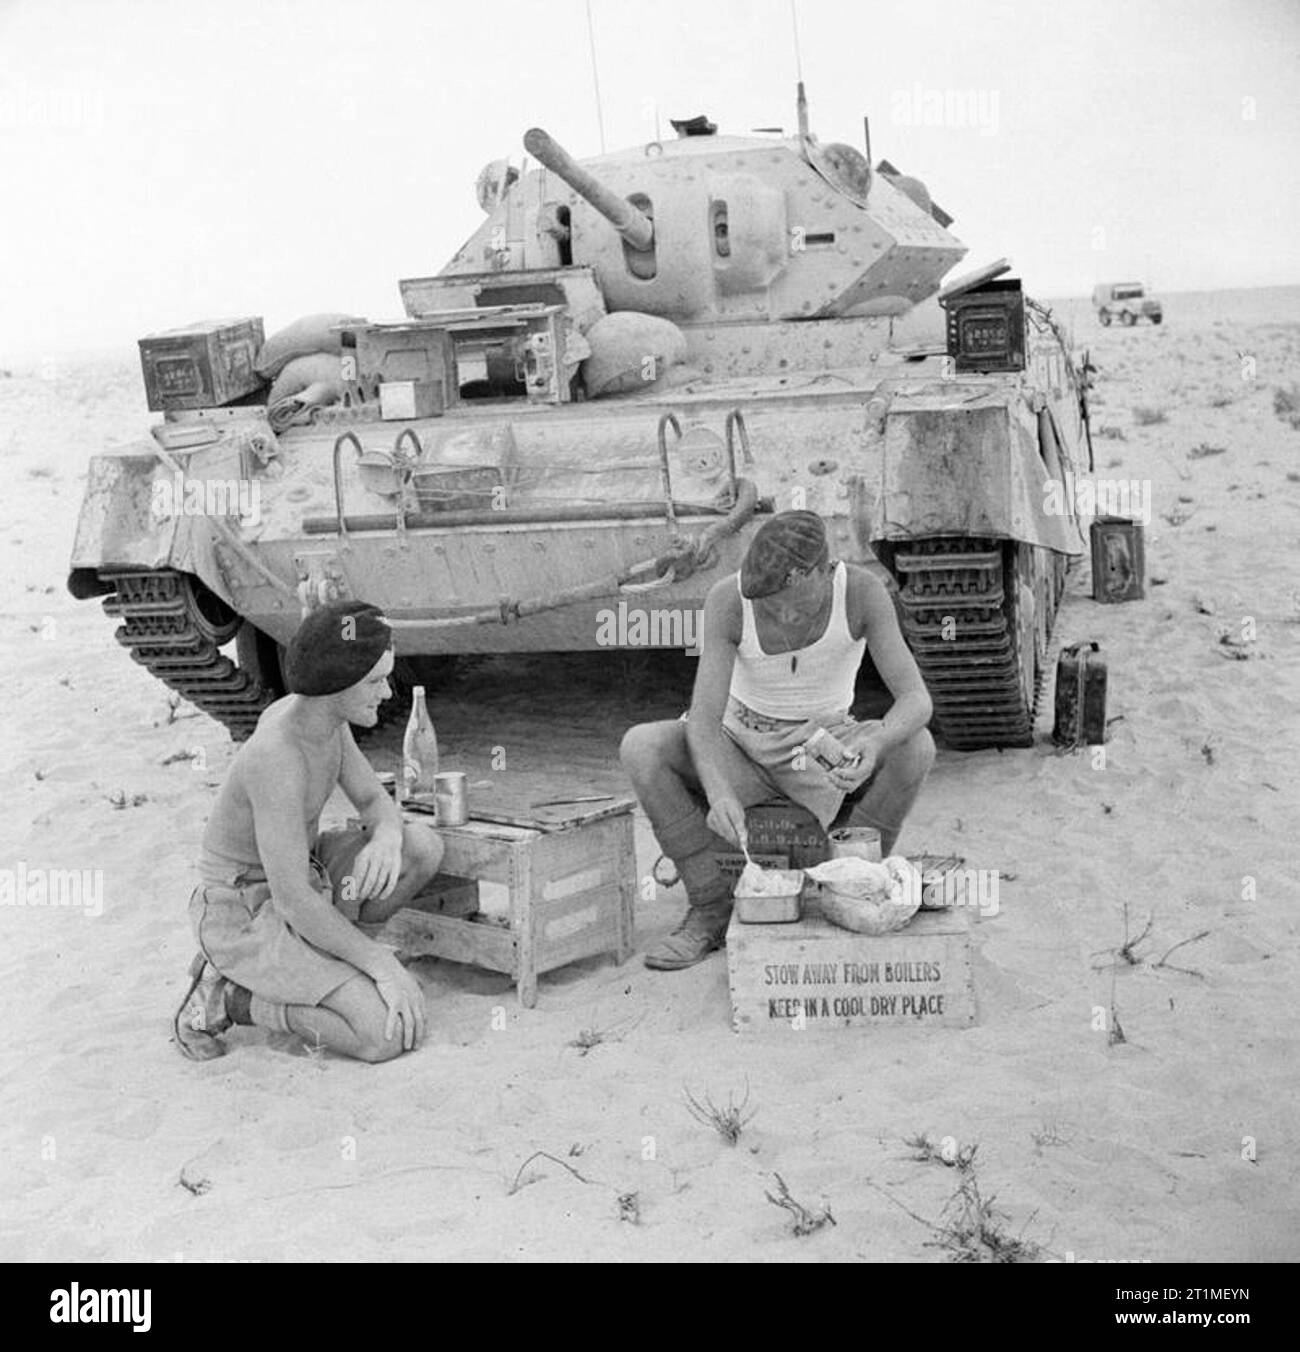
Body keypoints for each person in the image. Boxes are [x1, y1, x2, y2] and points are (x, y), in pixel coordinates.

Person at [620, 510, 935, 970]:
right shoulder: (728, 599)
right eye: (771, 605)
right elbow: (704, 722)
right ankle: (710, 908)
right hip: (740, 744)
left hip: (822, 744)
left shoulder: (862, 592)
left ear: (827, 572)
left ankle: (852, 889)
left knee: (916, 747)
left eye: (795, 604)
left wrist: (879, 742)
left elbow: (915, 700)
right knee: (641, 748)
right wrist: (720, 791)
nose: (784, 615)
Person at [174, 600, 444, 1062]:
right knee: (383, 1035)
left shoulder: (327, 721)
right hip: (247, 907)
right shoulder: (277, 755)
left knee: (421, 846)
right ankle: (233, 998)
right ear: (333, 685)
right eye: (375, 681)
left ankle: (334, 964)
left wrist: (386, 837)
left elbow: (376, 802)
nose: (386, 692)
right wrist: (380, 964)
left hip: (305, 877)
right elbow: (292, 900)